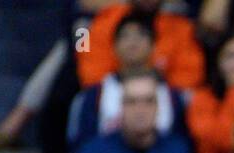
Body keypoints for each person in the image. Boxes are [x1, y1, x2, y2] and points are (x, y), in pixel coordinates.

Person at [66, 12, 186, 152]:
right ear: (114, 47)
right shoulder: (95, 95)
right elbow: (83, 146)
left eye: (141, 35)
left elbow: (181, 144)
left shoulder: (172, 95)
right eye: (125, 36)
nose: (132, 42)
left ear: (154, 46)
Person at [75, 0, 205, 92]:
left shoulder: (182, 28)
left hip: (164, 102)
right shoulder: (104, 22)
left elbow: (190, 78)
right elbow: (90, 75)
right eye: (125, 36)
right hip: (112, 100)